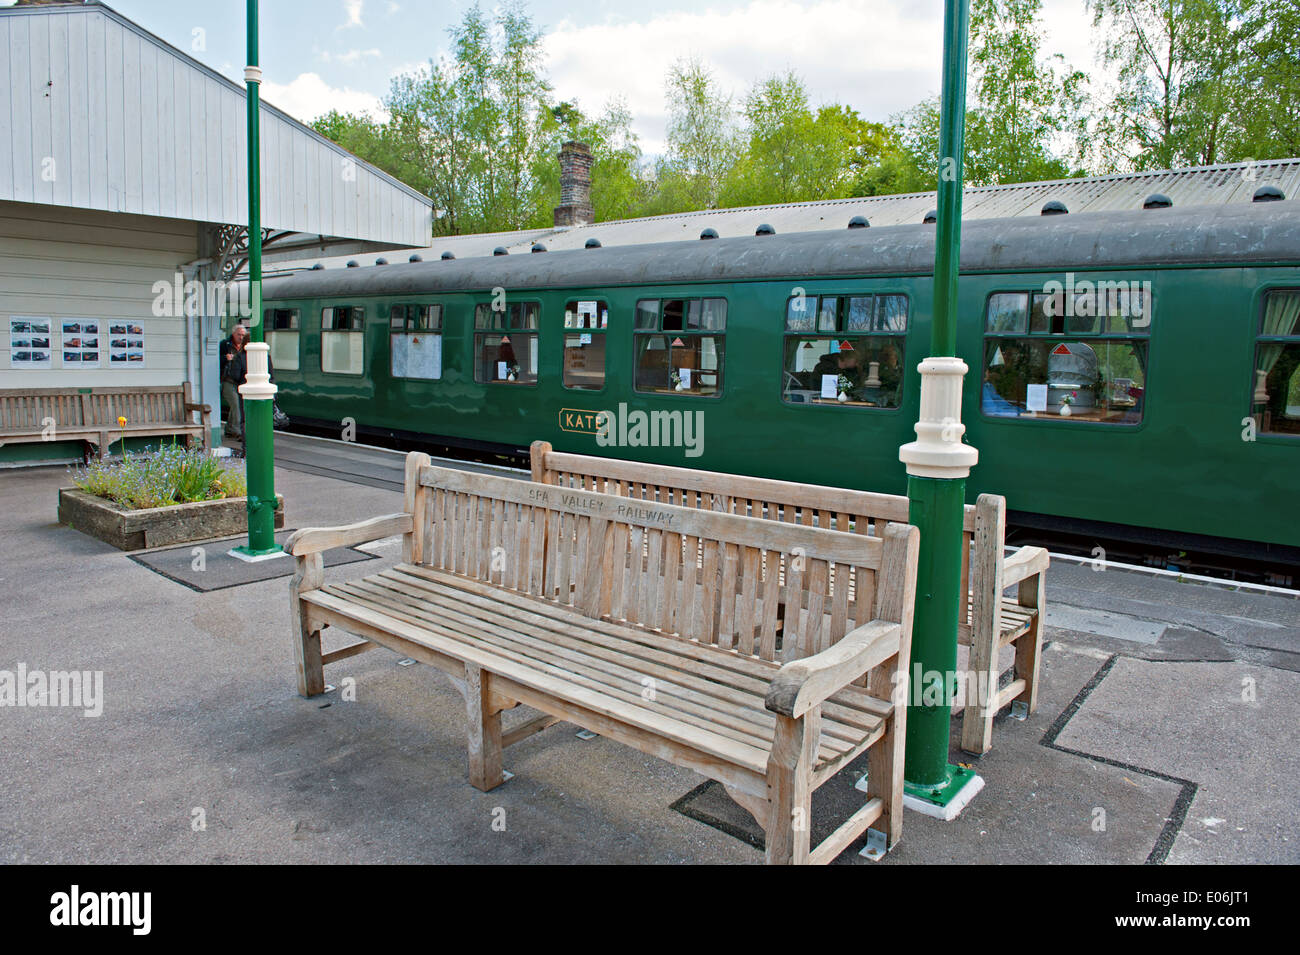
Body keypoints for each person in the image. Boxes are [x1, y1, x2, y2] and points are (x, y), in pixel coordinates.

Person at [223, 325, 274, 442]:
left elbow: (235, 375)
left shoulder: (240, 357)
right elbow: (271, 375)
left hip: (244, 391)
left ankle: (245, 441)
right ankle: (254, 438)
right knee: (259, 419)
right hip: (263, 393)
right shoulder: (266, 356)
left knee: (244, 416)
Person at [219, 325, 245, 439]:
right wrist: (225, 358)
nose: (241, 337)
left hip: (240, 381)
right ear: (233, 334)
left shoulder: (245, 347)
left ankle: (229, 429)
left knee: (236, 406)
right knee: (236, 405)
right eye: (239, 334)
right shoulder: (225, 344)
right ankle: (237, 431)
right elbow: (214, 358)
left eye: (243, 335)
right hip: (228, 380)